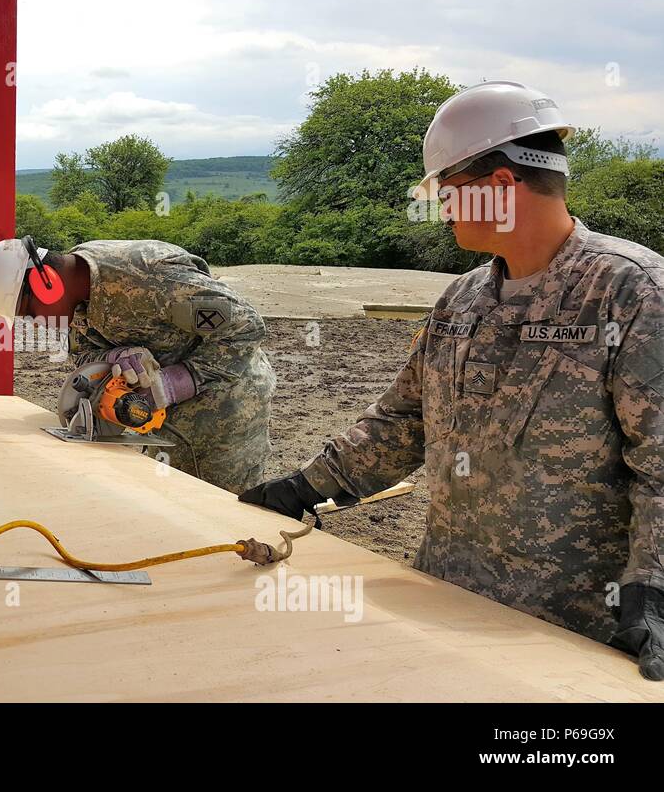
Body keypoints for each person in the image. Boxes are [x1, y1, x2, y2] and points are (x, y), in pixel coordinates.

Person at [240, 81, 664, 680]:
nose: (439, 208)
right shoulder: (461, 301)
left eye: (447, 191)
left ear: (498, 188)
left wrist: (654, 594)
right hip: (446, 595)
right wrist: (307, 485)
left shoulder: (632, 294)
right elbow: (405, 421)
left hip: (573, 633)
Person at [0, 236, 275, 493]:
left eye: (29, 312)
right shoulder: (76, 298)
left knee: (229, 513)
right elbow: (82, 353)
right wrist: (111, 358)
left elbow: (245, 327)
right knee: (179, 507)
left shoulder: (149, 275)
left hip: (226, 415)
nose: (34, 323)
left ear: (45, 283)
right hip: (160, 421)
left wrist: (173, 383)